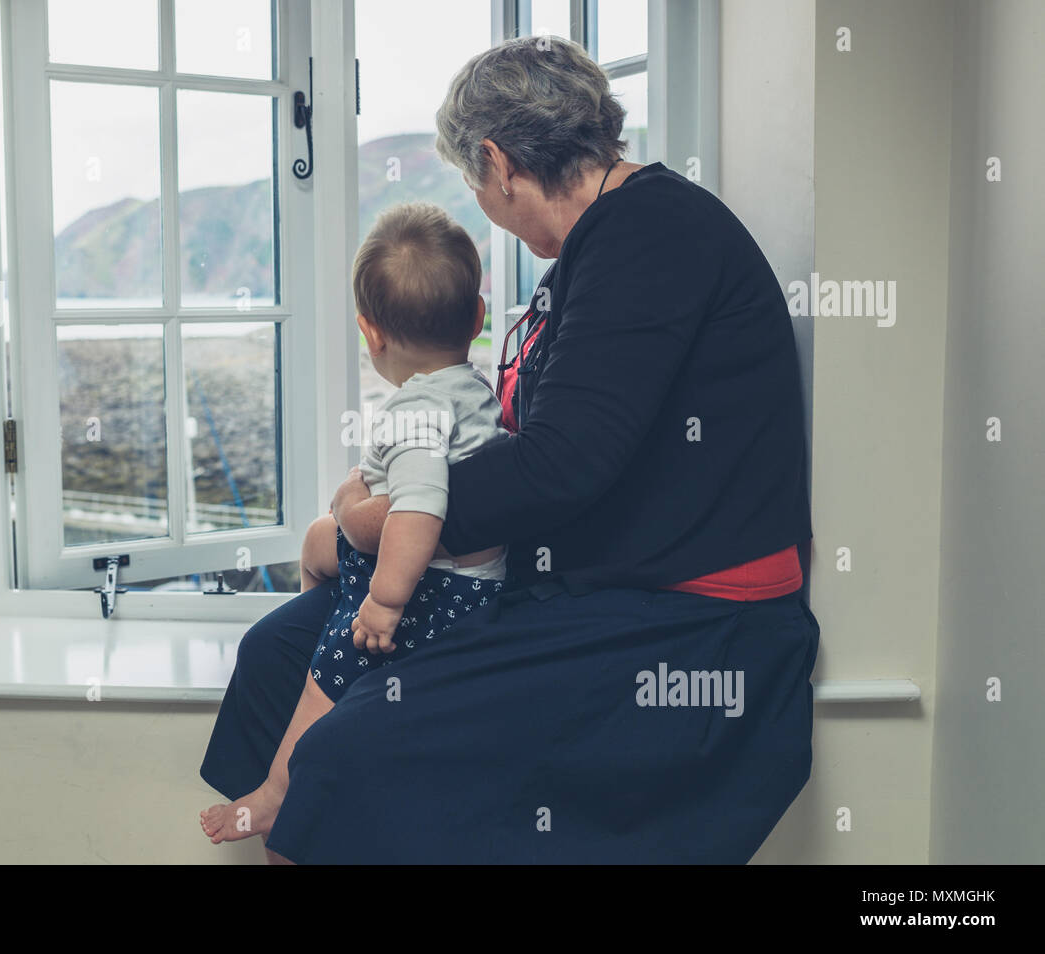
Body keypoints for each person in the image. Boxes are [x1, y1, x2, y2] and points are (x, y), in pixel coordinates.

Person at [200, 36, 819, 864]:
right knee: (275, 652)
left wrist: (377, 523)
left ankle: (319, 809)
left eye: (469, 178)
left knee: (350, 754)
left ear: (496, 162)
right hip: (588, 577)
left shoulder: (650, 235)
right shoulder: (594, 251)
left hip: (686, 618)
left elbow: (560, 466)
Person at [200, 202, 508, 845]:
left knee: (328, 669)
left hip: (433, 587)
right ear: (478, 318)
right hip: (461, 576)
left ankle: (276, 792)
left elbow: (420, 505)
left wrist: (383, 602)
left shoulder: (416, 408)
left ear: (371, 333)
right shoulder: (471, 387)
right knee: (318, 542)